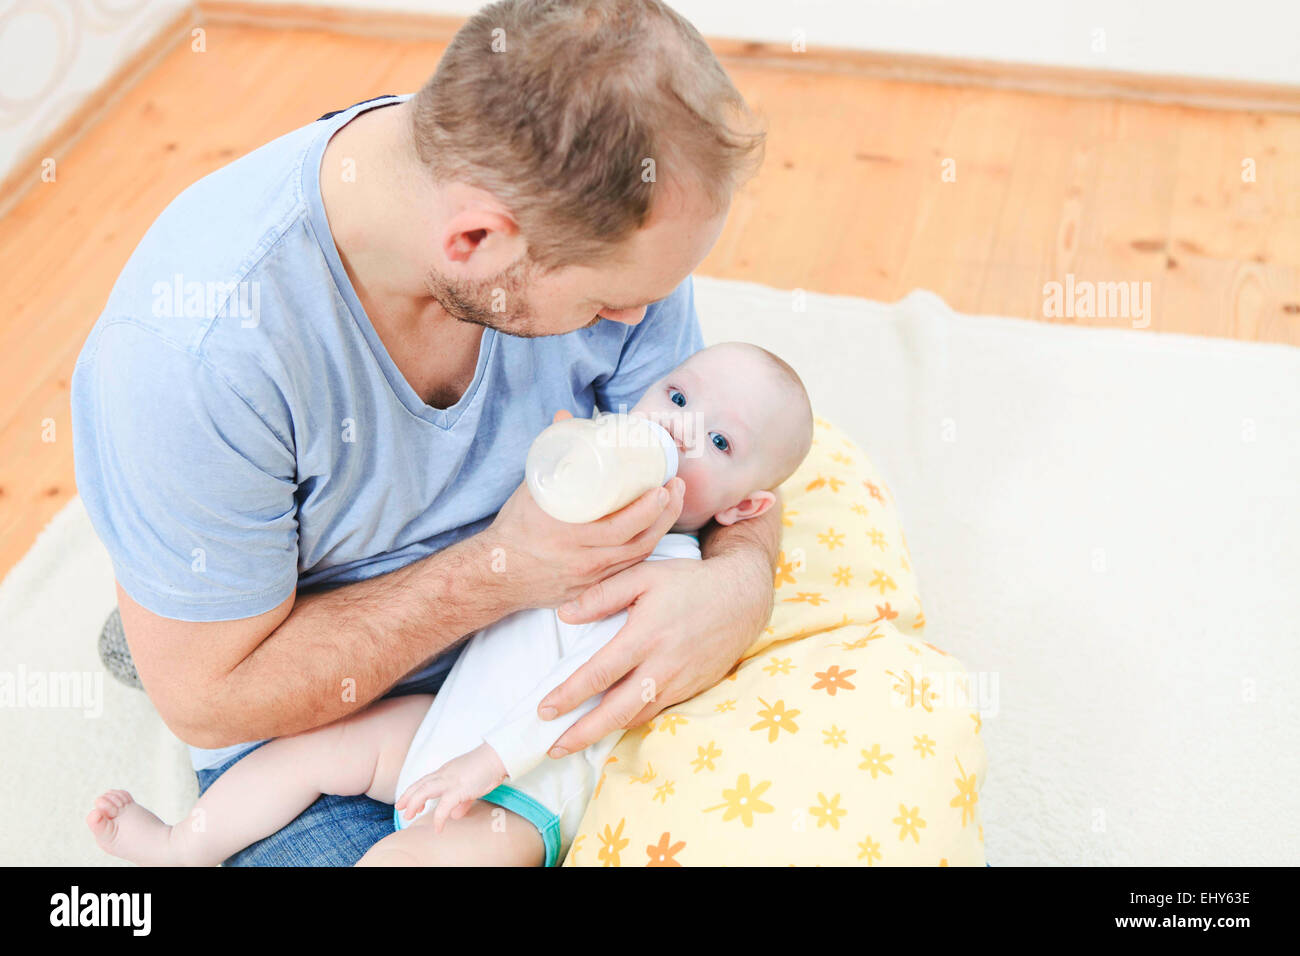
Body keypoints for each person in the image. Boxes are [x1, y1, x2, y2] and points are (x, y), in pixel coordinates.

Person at [70, 0, 780, 865]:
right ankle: (195, 607)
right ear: (475, 239)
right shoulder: (198, 355)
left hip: (556, 675)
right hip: (344, 727)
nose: (637, 318)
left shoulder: (601, 224)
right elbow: (212, 702)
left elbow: (728, 449)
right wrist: (504, 570)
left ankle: (199, 591)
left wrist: (738, 586)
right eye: (604, 302)